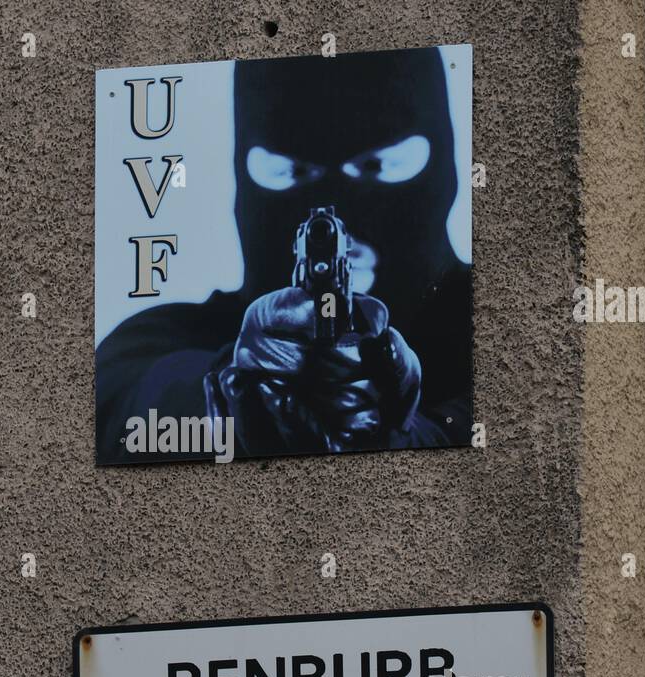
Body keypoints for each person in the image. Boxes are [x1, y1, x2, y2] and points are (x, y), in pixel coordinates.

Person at [96, 48, 472, 464]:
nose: (337, 211)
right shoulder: (162, 339)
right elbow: (121, 406)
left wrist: (424, 437)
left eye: (380, 166)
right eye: (290, 172)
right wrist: (235, 398)